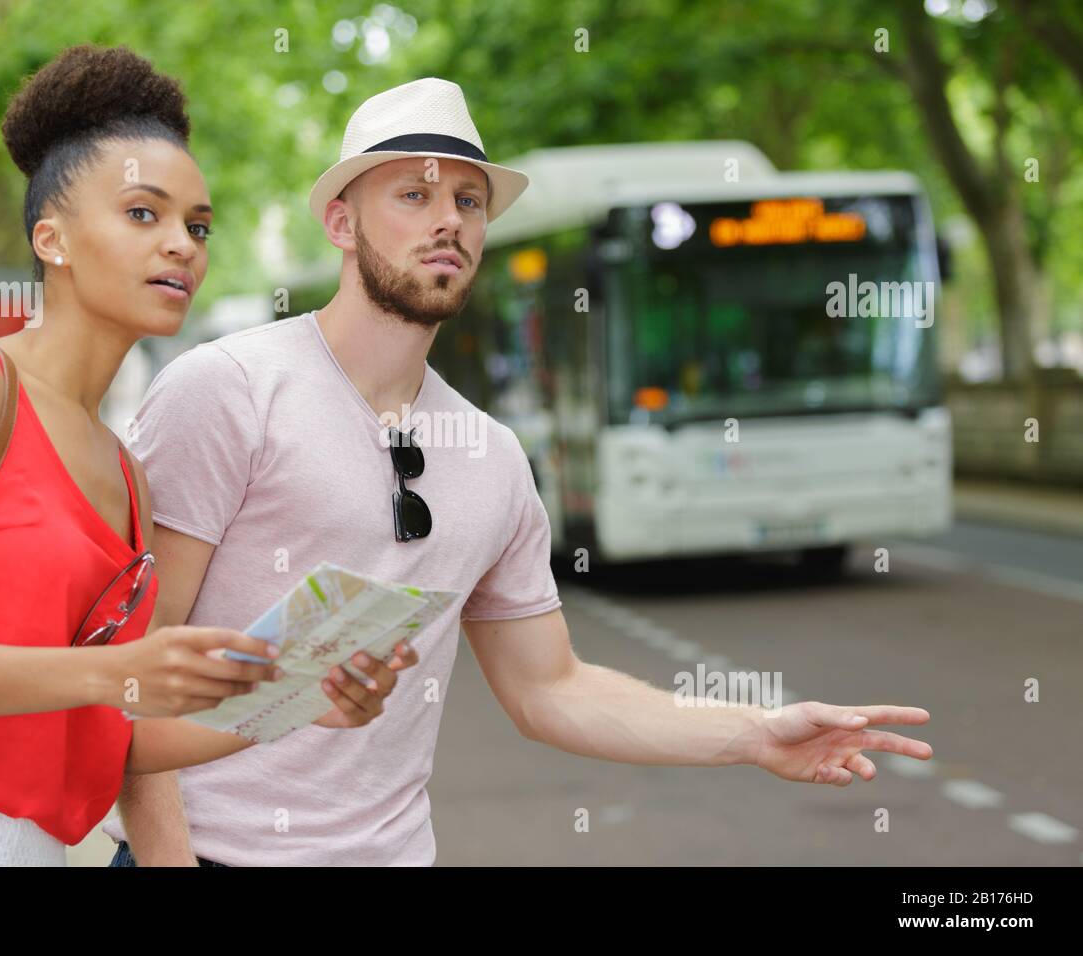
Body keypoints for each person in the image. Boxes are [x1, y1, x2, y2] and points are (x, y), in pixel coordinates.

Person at [108, 77, 934, 868]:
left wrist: (754, 733)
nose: (449, 222)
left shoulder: (494, 456)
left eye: (469, 202)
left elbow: (551, 691)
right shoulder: (225, 392)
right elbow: (128, 677)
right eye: (414, 196)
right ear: (340, 221)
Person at [0, 45, 413, 867]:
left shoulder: (127, 476)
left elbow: (113, 741)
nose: (182, 245)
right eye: (143, 214)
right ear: (53, 239)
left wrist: (294, 697)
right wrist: (104, 676)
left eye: (198, 226)